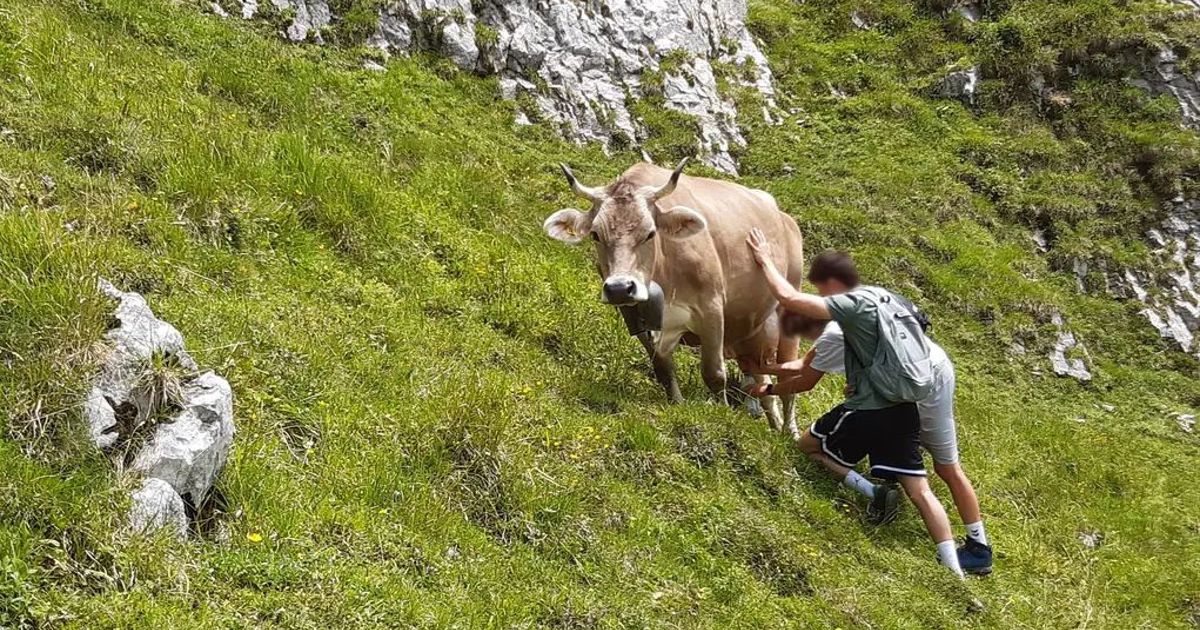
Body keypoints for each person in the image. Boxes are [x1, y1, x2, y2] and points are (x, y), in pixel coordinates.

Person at [743, 229, 969, 577]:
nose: (820, 296)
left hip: (866, 410)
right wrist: (770, 369)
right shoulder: (886, 299)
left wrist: (765, 260)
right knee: (921, 491)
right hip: (905, 408)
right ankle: (955, 571)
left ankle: (871, 491)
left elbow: (789, 301)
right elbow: (805, 365)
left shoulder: (847, 311)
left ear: (833, 284)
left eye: (821, 288)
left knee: (805, 445)